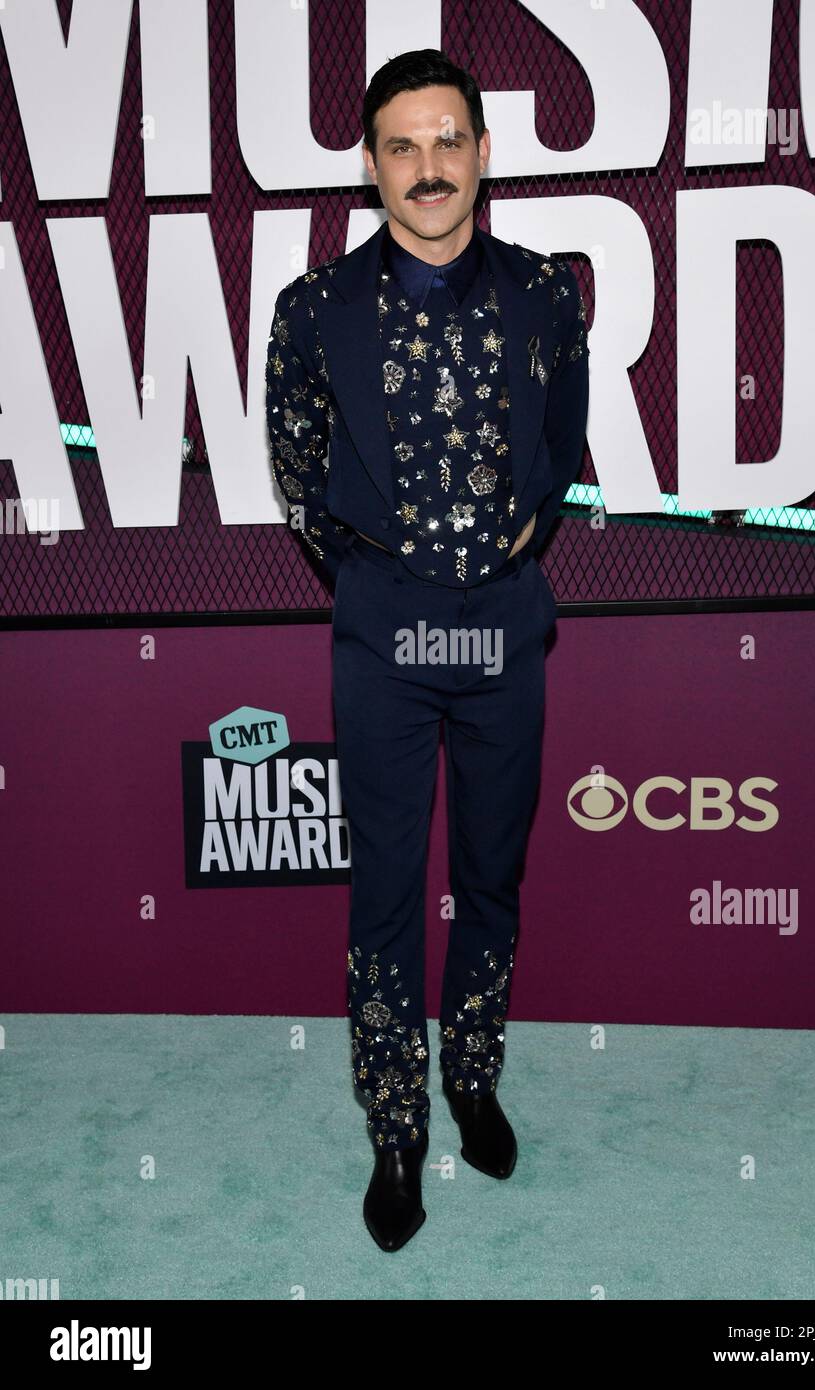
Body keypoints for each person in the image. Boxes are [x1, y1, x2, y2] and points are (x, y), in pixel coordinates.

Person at [265, 48, 590, 1252]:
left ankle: (472, 1077)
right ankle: (395, 1124)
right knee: (387, 888)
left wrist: (524, 526)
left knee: (494, 873)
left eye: (446, 138)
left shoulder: (546, 294)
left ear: (483, 152)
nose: (427, 166)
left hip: (504, 618)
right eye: (401, 145)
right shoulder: (314, 311)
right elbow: (298, 472)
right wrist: (367, 576)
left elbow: (563, 441)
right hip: (384, 627)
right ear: (370, 166)